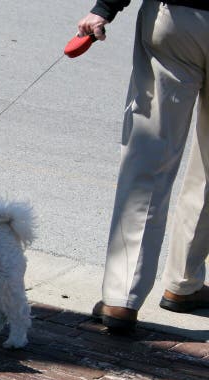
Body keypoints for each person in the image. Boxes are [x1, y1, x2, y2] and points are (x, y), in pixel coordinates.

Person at [83, 0, 209, 332]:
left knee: (149, 160)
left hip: (178, 19)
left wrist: (104, 8)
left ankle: (122, 297)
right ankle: (184, 281)